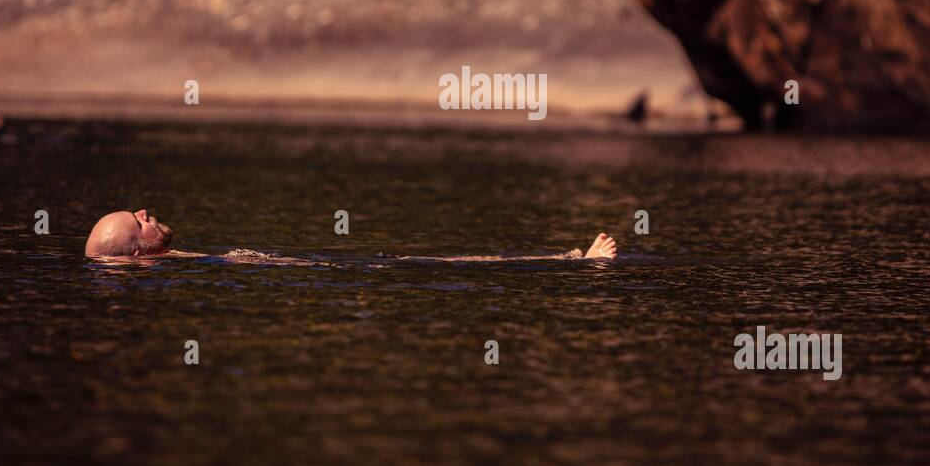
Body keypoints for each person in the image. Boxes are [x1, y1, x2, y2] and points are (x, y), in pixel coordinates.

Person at [83, 209, 619, 261]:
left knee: (436, 261)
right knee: (445, 263)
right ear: (136, 252)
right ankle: (572, 260)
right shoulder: (174, 266)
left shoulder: (177, 259)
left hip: (309, 265)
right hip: (323, 271)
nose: (146, 212)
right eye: (138, 219)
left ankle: (569, 256)